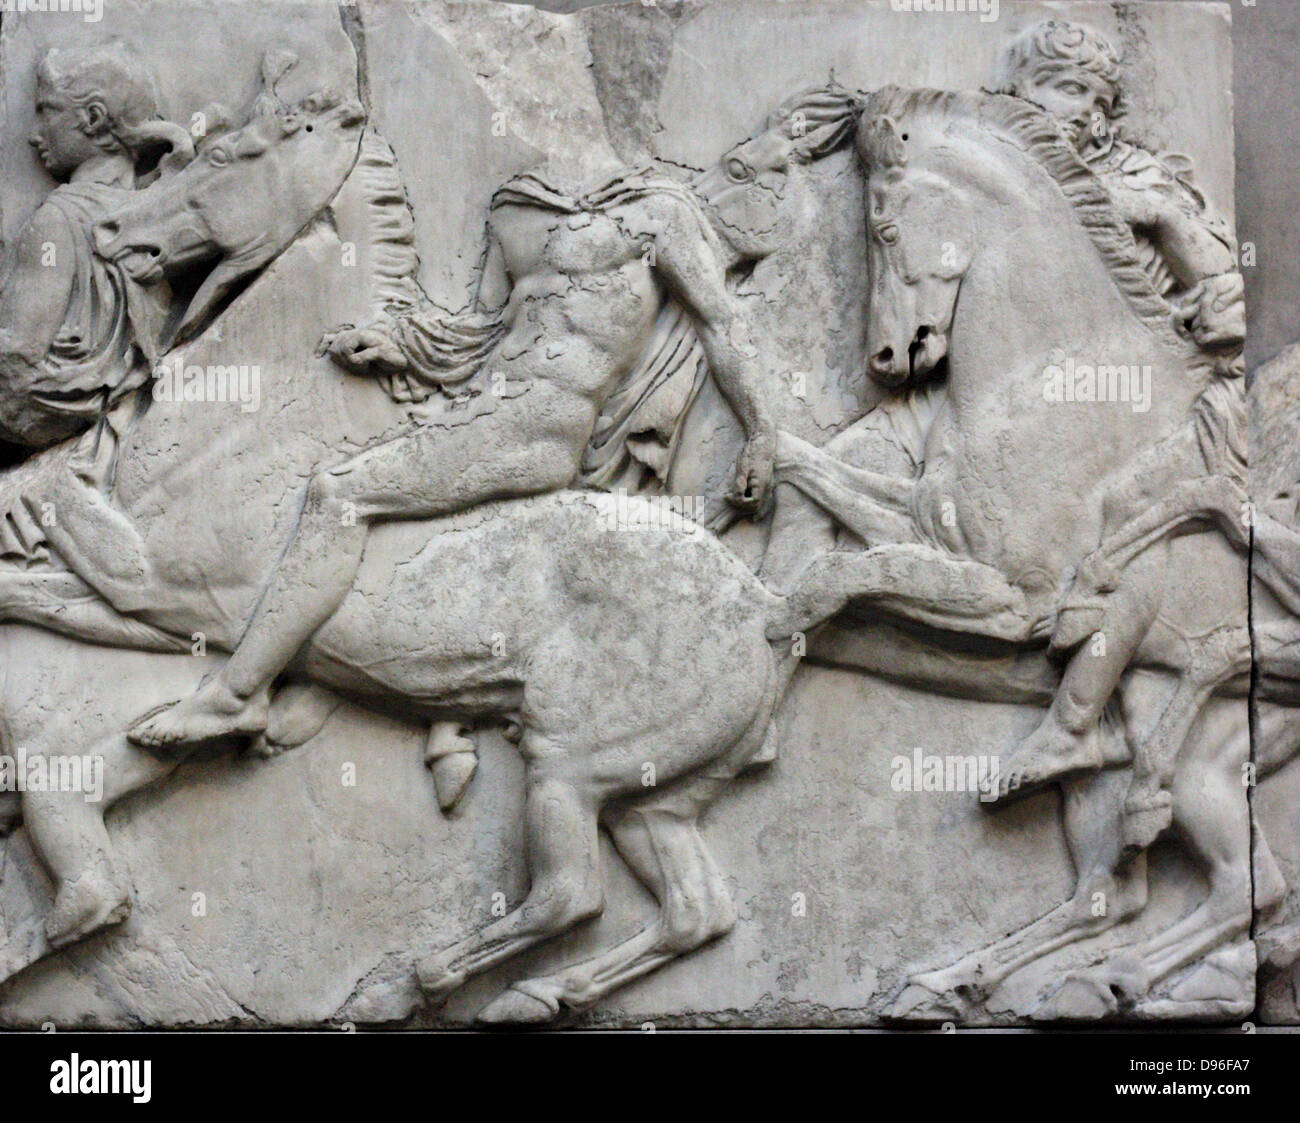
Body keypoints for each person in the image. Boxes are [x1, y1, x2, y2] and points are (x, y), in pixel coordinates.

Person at [130, 153, 776, 749]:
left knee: (340, 493)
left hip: (536, 430)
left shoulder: (660, 215)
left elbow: (722, 322)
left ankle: (236, 694)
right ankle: (350, 684)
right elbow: (491, 328)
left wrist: (761, 430)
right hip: (481, 412)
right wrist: (403, 347)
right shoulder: (522, 205)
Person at [992, 20, 1248, 804]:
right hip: (1037, 400)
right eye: (1052, 89)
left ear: (1104, 112)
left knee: (1124, 501)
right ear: (1014, 98)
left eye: (1084, 95)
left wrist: (1158, 216)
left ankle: (1076, 722)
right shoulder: (999, 183)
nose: (1068, 110)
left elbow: (1228, 299)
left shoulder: (1142, 178)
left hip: (1171, 401)